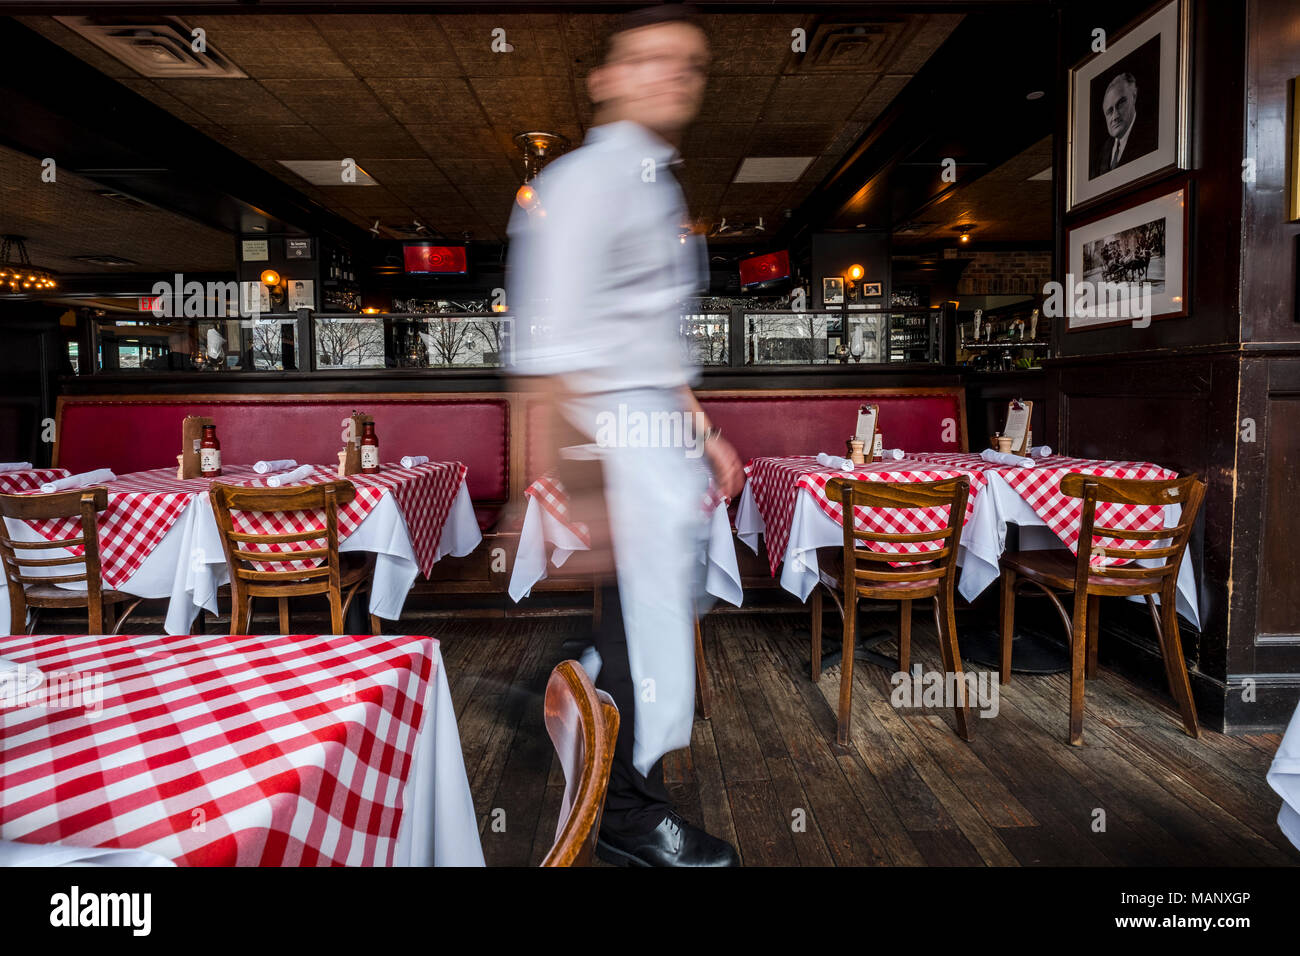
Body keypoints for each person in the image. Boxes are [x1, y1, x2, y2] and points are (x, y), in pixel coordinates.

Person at [506, 3, 744, 867]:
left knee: (653, 621)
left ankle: (597, 754)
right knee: (640, 629)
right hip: (607, 440)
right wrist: (577, 478)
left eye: (688, 64)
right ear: (604, 78)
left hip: (652, 439)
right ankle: (628, 815)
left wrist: (704, 433)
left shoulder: (660, 183)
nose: (671, 75)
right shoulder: (582, 181)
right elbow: (547, 345)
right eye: (648, 58)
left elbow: (652, 334)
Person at [1090, 71, 1158, 178]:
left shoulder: (1152, 136)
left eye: (1120, 103)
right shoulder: (1102, 153)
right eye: (1109, 111)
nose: (1115, 116)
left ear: (1134, 96)